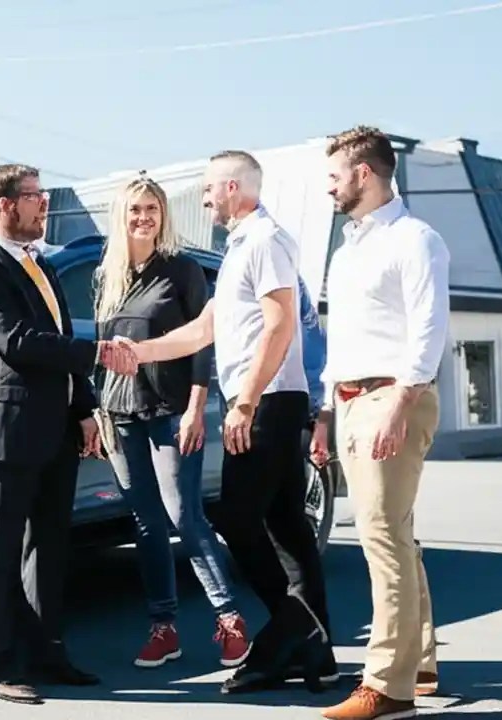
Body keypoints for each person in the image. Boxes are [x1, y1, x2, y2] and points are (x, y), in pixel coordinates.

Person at [113, 150, 335, 695]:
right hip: (266, 401)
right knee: (287, 529)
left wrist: (245, 402)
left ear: (234, 187)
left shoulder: (266, 242)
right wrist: (136, 353)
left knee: (236, 519)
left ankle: (290, 631)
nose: (205, 197)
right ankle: (316, 654)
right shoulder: (240, 247)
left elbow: (280, 325)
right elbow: (201, 331)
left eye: (210, 188)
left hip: (267, 403)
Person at [0, 163, 132, 705]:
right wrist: (97, 354)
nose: (44, 204)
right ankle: (0, 667)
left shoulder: (42, 267)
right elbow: (20, 342)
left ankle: (47, 653)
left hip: (56, 429)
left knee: (49, 548)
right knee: (0, 551)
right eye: (34, 196)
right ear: (5, 205)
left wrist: (84, 409)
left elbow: (56, 341)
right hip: (6, 430)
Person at [313, 126, 450, 720]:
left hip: (392, 397)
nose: (330, 186)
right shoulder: (349, 249)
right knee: (397, 531)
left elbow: (428, 329)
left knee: (382, 540)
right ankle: (416, 663)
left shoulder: (415, 240)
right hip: (349, 400)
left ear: (364, 173)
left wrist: (398, 404)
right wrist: (325, 411)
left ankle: (386, 689)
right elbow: (343, 339)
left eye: (336, 175)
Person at [90, 173, 250, 670]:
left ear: (163, 216)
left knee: (184, 515)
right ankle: (164, 628)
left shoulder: (181, 271)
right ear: (122, 215)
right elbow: (102, 353)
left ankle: (229, 621)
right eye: (135, 209)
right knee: (146, 523)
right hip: (120, 414)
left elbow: (204, 340)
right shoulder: (107, 276)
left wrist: (196, 407)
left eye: (152, 209)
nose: (144, 217)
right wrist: (94, 413)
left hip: (171, 412)